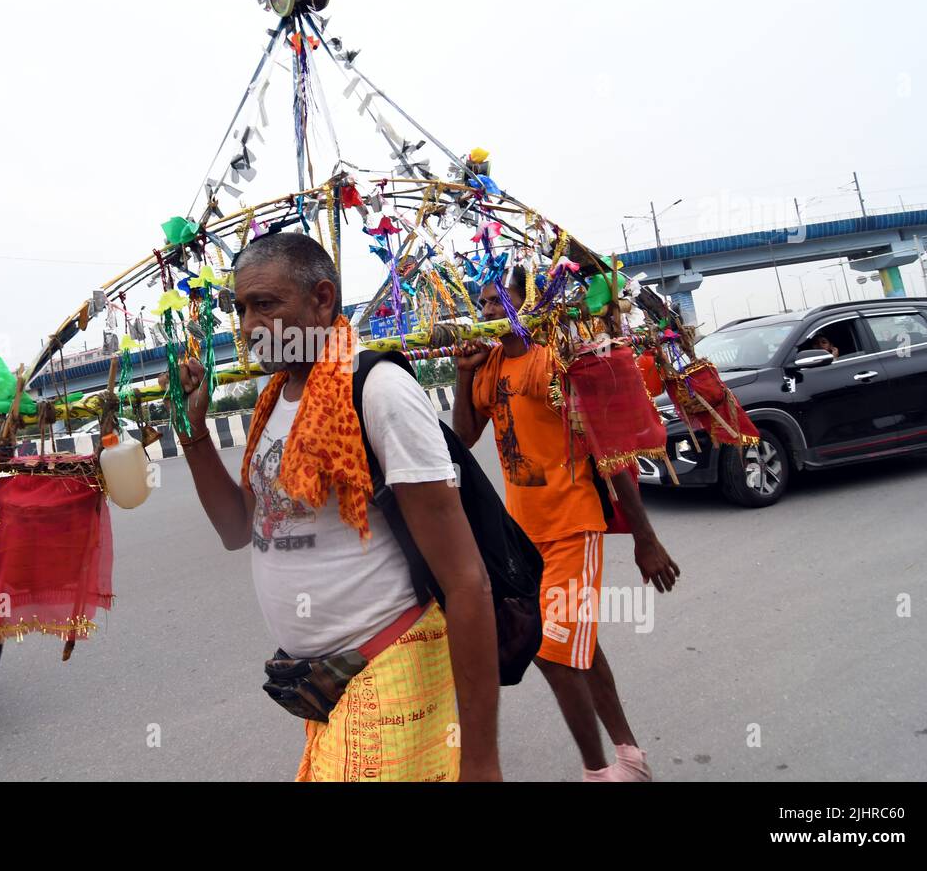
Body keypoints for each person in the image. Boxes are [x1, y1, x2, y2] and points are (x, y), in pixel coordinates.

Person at [174, 233, 502, 781]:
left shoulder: (379, 390)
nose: (249, 325)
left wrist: (481, 761)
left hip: (391, 660)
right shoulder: (271, 401)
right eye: (240, 308)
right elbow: (238, 529)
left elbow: (468, 580)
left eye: (265, 304)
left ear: (322, 299)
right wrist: (194, 436)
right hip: (326, 681)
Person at [454, 274, 681, 781]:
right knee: (580, 647)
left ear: (526, 301)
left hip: (573, 527)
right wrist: (462, 374)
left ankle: (598, 772)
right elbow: (464, 438)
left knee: (552, 651)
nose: (488, 309)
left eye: (499, 300)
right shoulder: (489, 365)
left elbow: (608, 450)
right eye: (484, 302)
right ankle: (631, 758)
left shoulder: (554, 361)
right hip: (525, 539)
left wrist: (646, 541)